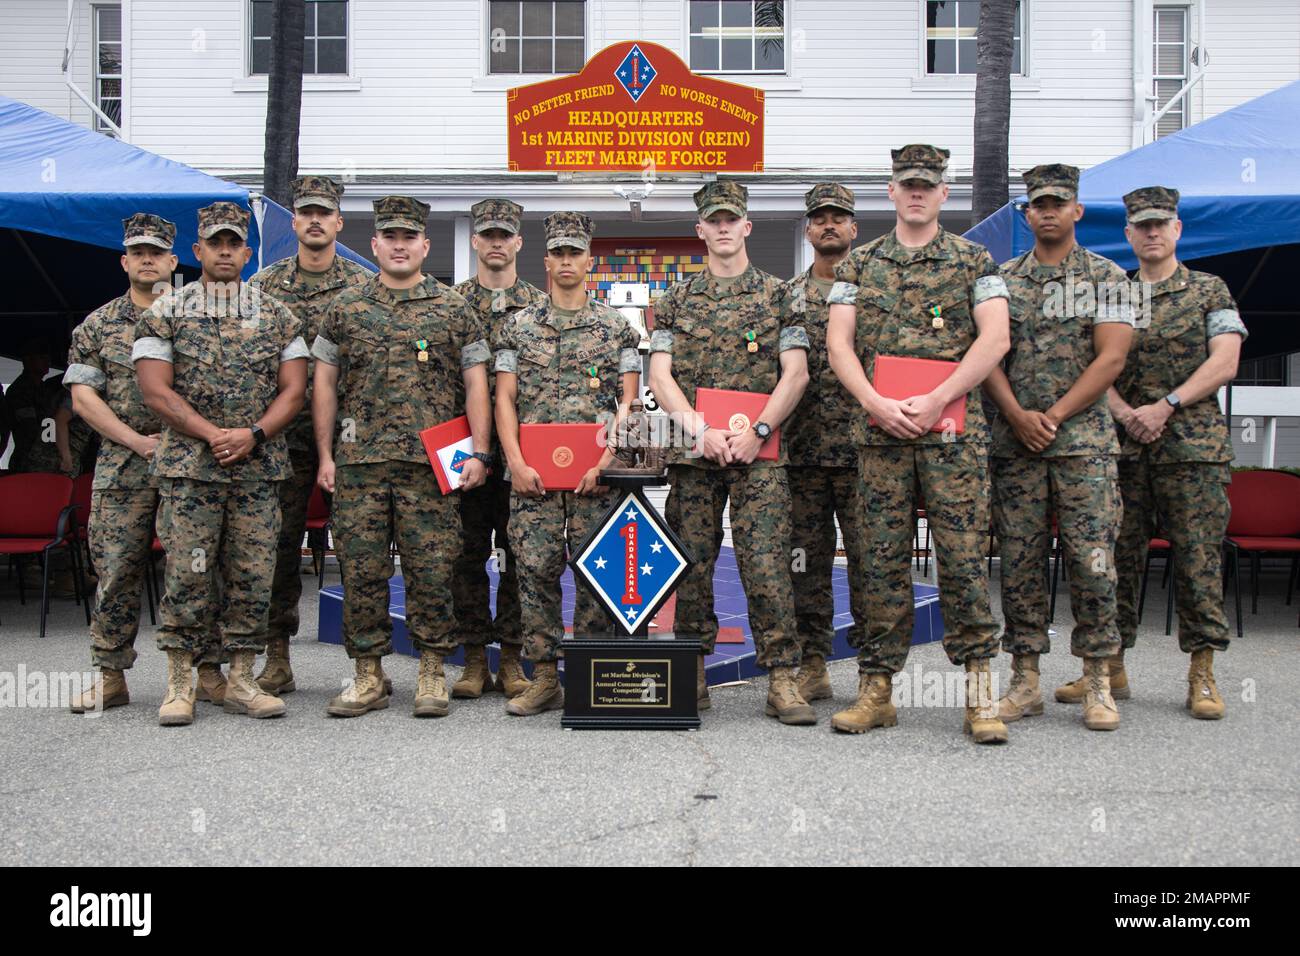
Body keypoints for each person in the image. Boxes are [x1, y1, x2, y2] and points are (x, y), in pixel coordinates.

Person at [826, 144, 1011, 743]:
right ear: (890, 192)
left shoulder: (974, 259)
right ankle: (877, 691)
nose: (916, 193)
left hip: (951, 438)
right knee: (879, 562)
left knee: (961, 559)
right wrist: (875, 403)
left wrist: (936, 400)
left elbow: (995, 340)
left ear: (942, 194)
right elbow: (839, 344)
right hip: (880, 437)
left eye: (926, 185)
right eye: (906, 183)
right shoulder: (859, 264)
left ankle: (981, 696)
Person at [312, 195, 492, 718]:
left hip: (431, 468)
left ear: (424, 245)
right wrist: (325, 454)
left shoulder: (453, 309)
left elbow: (475, 385)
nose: (398, 245)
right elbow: (323, 384)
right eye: (389, 237)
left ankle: (433, 670)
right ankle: (368, 675)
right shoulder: (345, 307)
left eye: (408, 237)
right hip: (358, 465)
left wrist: (480, 452)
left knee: (433, 568)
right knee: (361, 569)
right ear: (374, 244)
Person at [133, 201, 308, 725]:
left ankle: (241, 679)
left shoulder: (277, 314)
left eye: (234, 243)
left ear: (248, 252)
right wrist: (212, 434)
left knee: (252, 575)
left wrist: (253, 434)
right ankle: (181, 684)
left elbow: (294, 389)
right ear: (198, 250)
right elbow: (154, 392)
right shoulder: (164, 312)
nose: (225, 251)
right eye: (216, 243)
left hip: (257, 471)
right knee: (188, 574)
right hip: (191, 471)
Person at [647, 181, 813, 724]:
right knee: (692, 563)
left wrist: (759, 430)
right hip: (697, 456)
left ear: (746, 227)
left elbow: (797, 373)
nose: (722, 228)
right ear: (700, 230)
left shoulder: (779, 295)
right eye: (712, 220)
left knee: (765, 562)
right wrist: (697, 430)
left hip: (758, 454)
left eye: (730, 219)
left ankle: (783, 677)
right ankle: (692, 670)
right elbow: (660, 375)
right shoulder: (674, 300)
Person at [983, 164, 1134, 732]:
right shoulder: (1000, 280)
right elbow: (989, 356)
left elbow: (1112, 358)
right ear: (1027, 214)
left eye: (1057, 203)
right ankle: (1024, 681)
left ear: (1077, 211)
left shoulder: (1111, 276)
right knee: (1019, 562)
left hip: (1084, 446)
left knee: (1093, 562)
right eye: (1037, 204)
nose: (1046, 211)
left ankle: (1098, 678)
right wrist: (1019, 416)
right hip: (1016, 443)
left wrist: (1056, 414)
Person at [1086, 186, 1246, 720]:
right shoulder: (1114, 294)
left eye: (1162, 224)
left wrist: (1166, 406)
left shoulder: (1208, 291)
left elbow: (1226, 361)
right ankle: (1111, 669)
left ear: (1177, 230)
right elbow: (1093, 366)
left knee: (1198, 562)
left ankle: (1202, 673)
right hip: (1124, 452)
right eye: (1142, 225)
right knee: (1116, 563)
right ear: (1128, 234)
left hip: (1192, 452)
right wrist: (1125, 411)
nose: (1153, 233)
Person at [64, 214, 231, 711]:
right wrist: (136, 441)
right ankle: (111, 673)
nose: (147, 260)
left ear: (173, 261)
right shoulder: (98, 324)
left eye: (156, 252)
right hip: (124, 467)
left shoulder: (202, 316)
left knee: (198, 567)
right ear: (124, 261)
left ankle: (207, 670)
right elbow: (82, 397)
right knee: (116, 570)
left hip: (191, 464)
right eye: (138, 253)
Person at [493, 211, 641, 716]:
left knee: (596, 575)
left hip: (593, 478)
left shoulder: (616, 328)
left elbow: (628, 403)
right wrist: (513, 462)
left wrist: (608, 460)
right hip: (531, 479)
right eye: (557, 251)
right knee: (533, 572)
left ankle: (590, 673)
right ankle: (543, 677)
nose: (565, 261)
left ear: (589, 260)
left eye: (574, 251)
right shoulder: (517, 328)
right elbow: (505, 400)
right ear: (545, 258)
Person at [248, 175, 371, 696]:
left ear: (339, 222)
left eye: (326, 212)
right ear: (294, 221)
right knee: (277, 548)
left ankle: (366, 666)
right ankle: (277, 655)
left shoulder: (365, 288)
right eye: (307, 212)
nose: (316, 220)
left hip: (353, 441)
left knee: (359, 549)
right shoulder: (262, 289)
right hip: (282, 441)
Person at [451, 198, 546, 700]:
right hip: (461, 455)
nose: (495, 243)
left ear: (518, 243)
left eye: (504, 235)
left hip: (519, 457)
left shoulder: (538, 306)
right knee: (465, 557)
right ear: (474, 241)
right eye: (486, 234)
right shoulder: (449, 303)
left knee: (517, 556)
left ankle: (511, 657)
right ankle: (471, 659)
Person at [784, 183, 867, 704]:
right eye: (820, 219)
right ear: (809, 229)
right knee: (803, 565)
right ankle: (812, 663)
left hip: (864, 454)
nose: (830, 225)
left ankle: (869, 672)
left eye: (839, 218)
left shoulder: (873, 288)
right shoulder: (786, 296)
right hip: (801, 455)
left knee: (868, 565)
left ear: (854, 228)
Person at [4, 339, 54, 472]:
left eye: (48, 358)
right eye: (42, 358)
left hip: (46, 457)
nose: (47, 362)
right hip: (29, 460)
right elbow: (29, 428)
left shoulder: (44, 388)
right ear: (28, 361)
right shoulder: (20, 390)